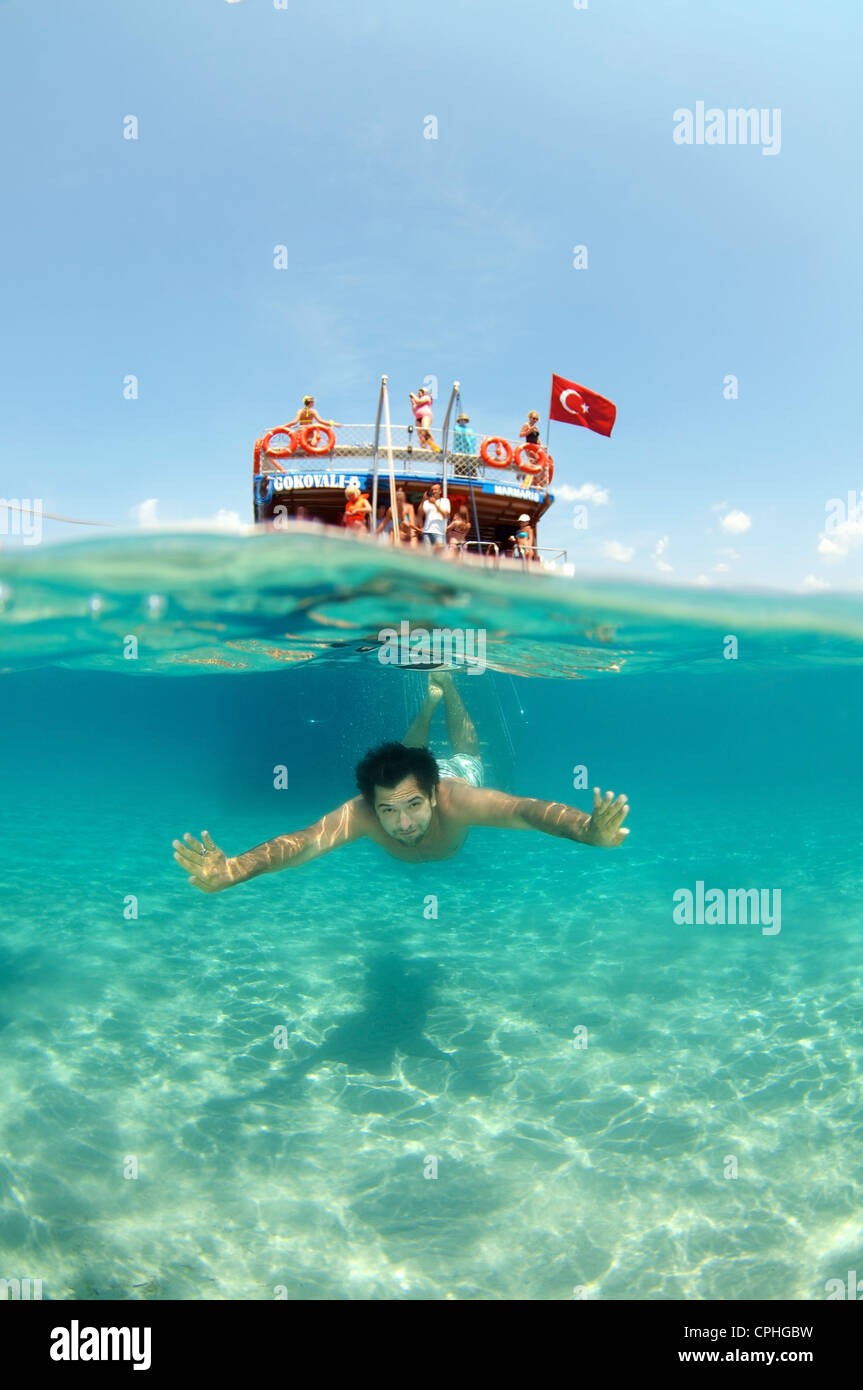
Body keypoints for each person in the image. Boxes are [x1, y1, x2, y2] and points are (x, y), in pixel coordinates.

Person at [172, 671, 630, 888]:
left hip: (457, 774)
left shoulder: (457, 799)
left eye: (413, 805)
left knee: (467, 752)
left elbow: (524, 811)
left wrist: (586, 830)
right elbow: (304, 842)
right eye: (388, 810)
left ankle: (446, 689)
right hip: (423, 773)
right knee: (413, 755)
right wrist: (235, 869)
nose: (403, 823)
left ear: (433, 796)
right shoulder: (366, 812)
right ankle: (430, 700)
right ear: (372, 804)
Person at [419, 482, 450, 549]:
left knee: (440, 556)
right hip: (426, 532)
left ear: (440, 491)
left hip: (439, 533)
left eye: (435, 489)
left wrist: (435, 504)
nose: (433, 491)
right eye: (432, 490)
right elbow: (420, 514)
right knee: (427, 556)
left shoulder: (445, 501)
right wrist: (423, 500)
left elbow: (445, 515)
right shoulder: (427, 502)